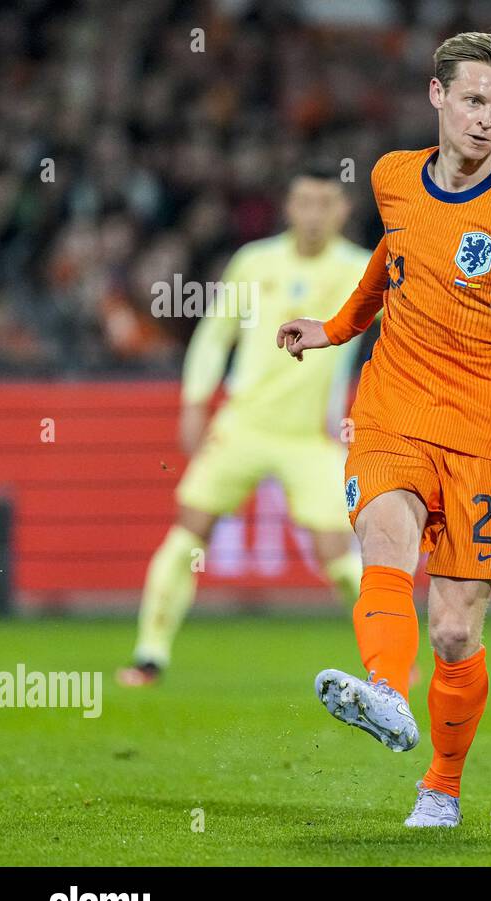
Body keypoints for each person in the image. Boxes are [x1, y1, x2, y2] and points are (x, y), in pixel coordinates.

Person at [276, 32, 491, 828]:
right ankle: (386, 690)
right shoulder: (392, 177)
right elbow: (394, 258)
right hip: (391, 410)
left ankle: (443, 787)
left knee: (455, 633)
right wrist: (338, 327)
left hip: (486, 436)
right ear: (437, 96)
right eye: (472, 101)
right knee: (384, 539)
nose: (485, 120)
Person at [119, 166, 368, 686]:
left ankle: (387, 657)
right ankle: (150, 655)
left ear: (343, 210)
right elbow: (215, 335)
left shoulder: (362, 268)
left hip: (310, 437)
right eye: (305, 202)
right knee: (191, 530)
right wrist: (194, 402)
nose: (314, 214)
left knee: (337, 554)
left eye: (326, 203)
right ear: (289, 207)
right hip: (243, 424)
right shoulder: (255, 262)